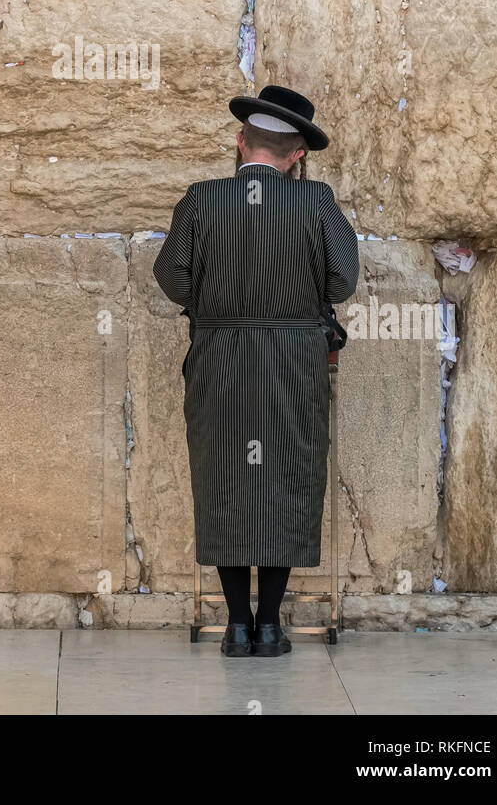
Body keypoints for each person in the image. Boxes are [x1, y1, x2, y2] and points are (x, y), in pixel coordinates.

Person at [153, 85, 359, 657]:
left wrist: (213, 311)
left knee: (224, 482)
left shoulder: (199, 200)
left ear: (241, 143)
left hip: (219, 358)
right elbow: (343, 279)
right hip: (294, 363)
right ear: (297, 155)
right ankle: (270, 625)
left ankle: (236, 627)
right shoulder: (317, 202)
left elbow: (170, 275)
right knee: (286, 481)